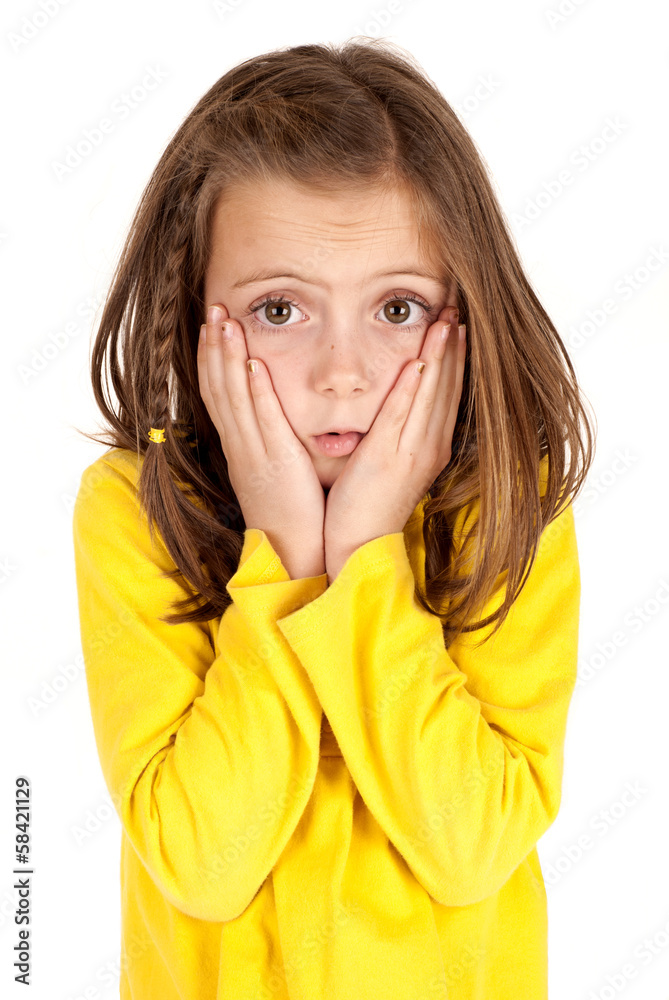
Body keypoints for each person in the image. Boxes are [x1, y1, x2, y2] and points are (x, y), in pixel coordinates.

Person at [72, 37, 596, 1000]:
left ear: (463, 316)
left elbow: (472, 848)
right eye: (280, 311)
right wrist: (279, 560)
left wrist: (363, 562)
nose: (341, 371)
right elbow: (199, 861)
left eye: (397, 309)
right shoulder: (138, 511)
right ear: (193, 317)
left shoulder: (507, 509)